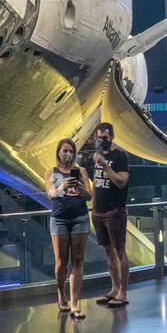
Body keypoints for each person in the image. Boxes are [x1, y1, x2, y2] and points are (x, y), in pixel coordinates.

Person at [47, 137, 92, 319]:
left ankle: (74, 304)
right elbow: (50, 194)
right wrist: (61, 187)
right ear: (58, 152)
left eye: (70, 151)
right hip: (59, 219)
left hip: (79, 217)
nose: (67, 154)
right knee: (60, 262)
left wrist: (82, 189)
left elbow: (89, 195)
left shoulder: (81, 171)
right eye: (64, 150)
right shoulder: (51, 171)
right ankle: (61, 291)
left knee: (78, 260)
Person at [90, 121, 130, 308]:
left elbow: (121, 182)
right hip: (98, 211)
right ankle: (114, 288)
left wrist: (106, 166)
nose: (101, 141)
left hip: (115, 211)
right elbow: (97, 184)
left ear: (112, 137)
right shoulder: (96, 156)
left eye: (104, 138)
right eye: (99, 137)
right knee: (108, 251)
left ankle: (123, 292)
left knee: (119, 250)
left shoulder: (120, 156)